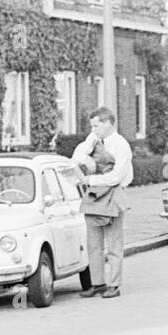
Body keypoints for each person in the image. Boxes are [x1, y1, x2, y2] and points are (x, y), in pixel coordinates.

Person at [73, 107, 133, 299]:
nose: (93, 129)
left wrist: (91, 180)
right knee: (93, 243)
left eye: (96, 125)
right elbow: (77, 156)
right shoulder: (94, 140)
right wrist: (89, 145)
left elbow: (117, 176)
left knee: (114, 243)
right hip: (94, 196)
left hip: (113, 195)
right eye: (92, 126)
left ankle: (114, 285)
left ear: (108, 123)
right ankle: (97, 283)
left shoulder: (121, 145)